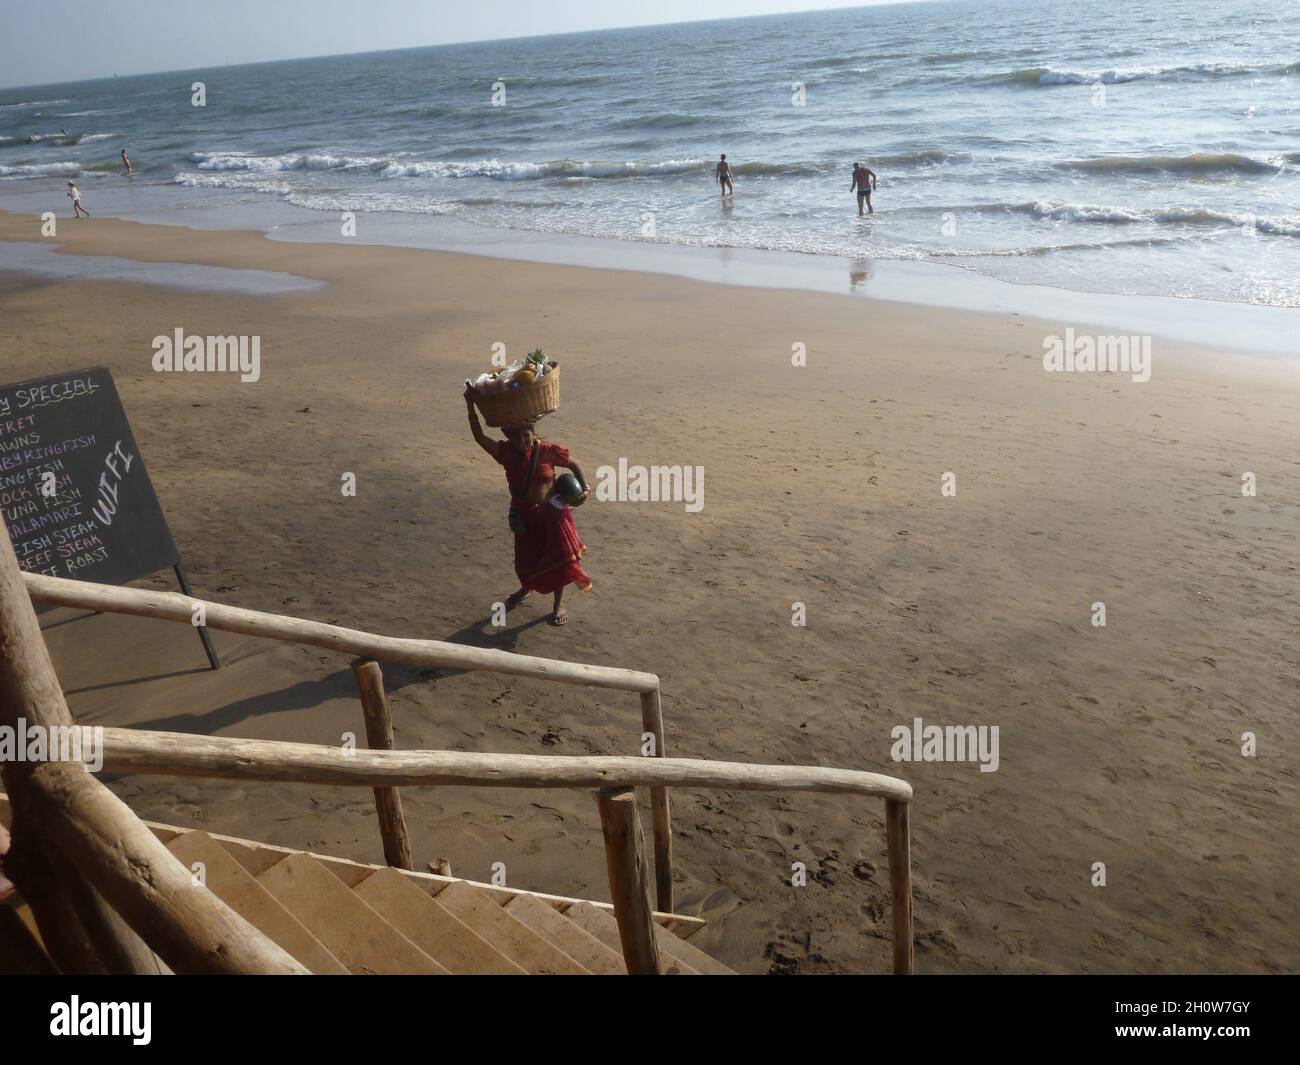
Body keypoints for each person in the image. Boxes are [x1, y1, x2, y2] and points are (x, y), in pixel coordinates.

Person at [465, 387, 592, 626]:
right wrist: (470, 405)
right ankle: (526, 588)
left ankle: (558, 605)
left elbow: (574, 465)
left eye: (526, 435)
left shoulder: (548, 452)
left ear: (533, 433)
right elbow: (479, 437)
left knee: (560, 561)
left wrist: (584, 488)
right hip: (524, 514)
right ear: (509, 438)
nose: (523, 441)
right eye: (517, 437)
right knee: (526, 558)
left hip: (553, 514)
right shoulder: (505, 453)